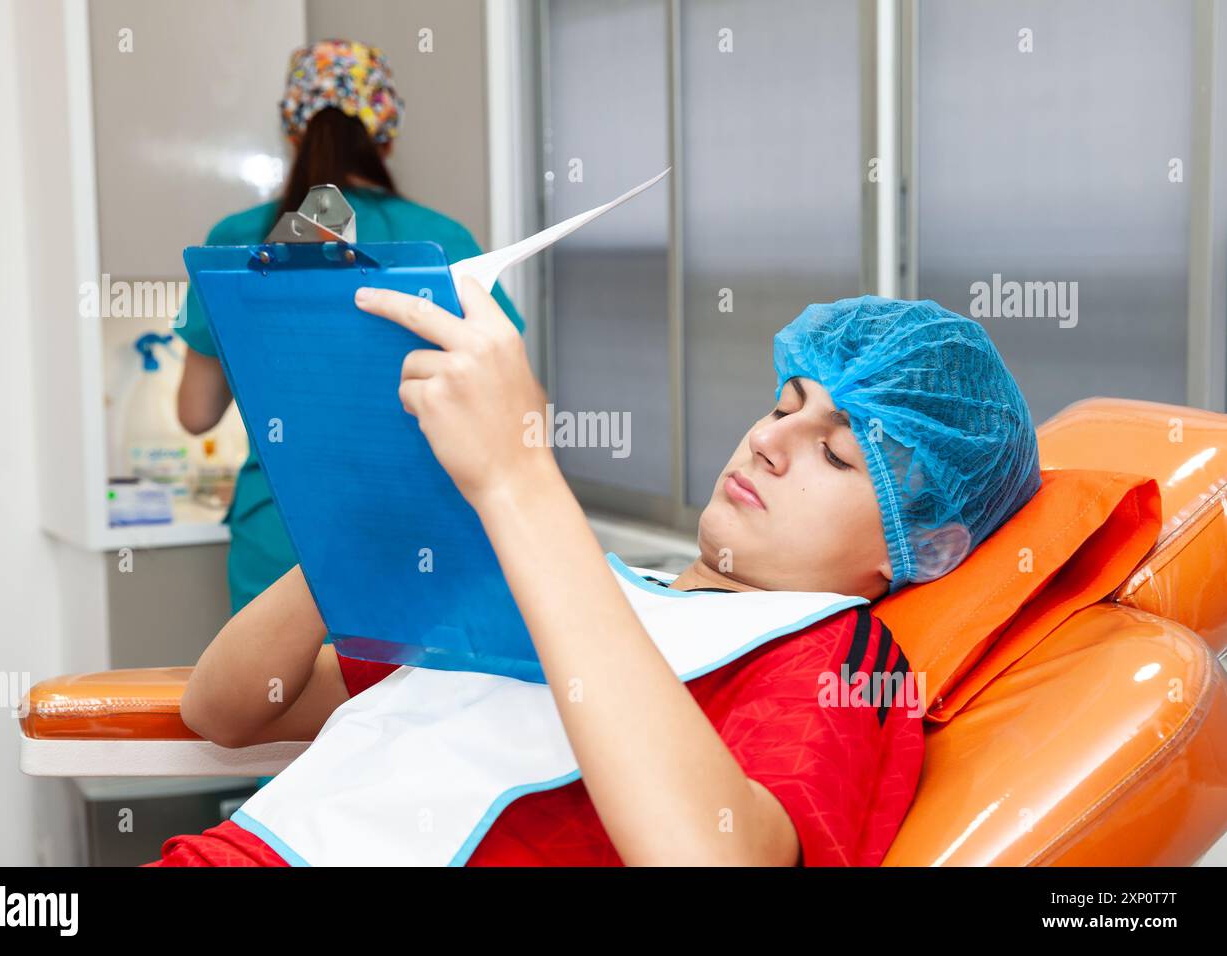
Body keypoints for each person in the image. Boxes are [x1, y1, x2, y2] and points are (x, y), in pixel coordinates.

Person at [151, 293, 1040, 867]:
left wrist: (519, 481)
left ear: (921, 545)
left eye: (838, 455)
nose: (768, 442)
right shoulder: (587, 587)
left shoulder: (842, 661)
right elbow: (228, 710)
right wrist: (371, 511)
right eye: (782, 406)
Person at [176, 39, 524, 615]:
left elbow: (194, 414)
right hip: (416, 531)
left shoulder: (234, 240)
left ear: (293, 131)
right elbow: (504, 399)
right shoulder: (443, 241)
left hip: (279, 537)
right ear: (386, 134)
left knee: (283, 703)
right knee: (398, 703)